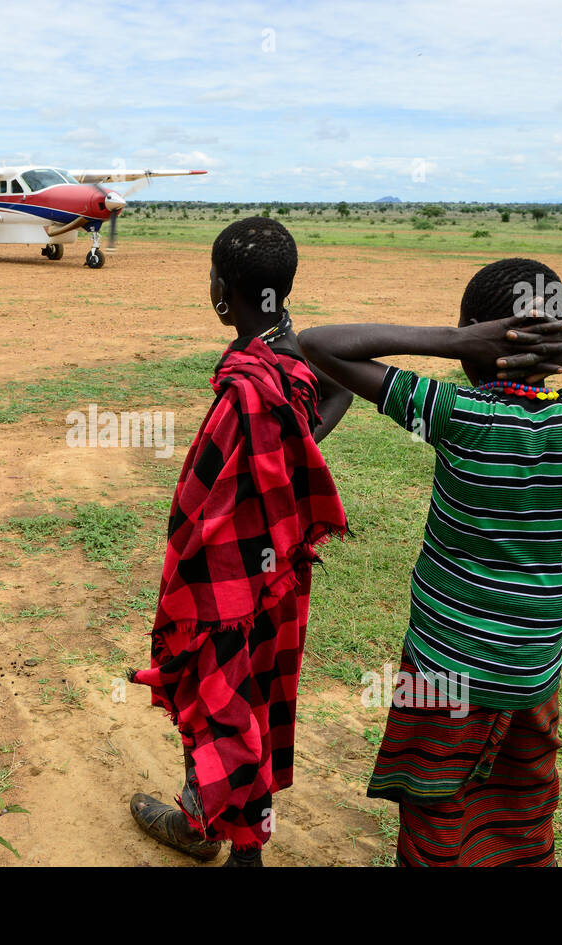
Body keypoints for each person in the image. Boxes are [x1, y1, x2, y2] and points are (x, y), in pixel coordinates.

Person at [298, 257, 562, 866]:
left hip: (448, 667)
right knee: (520, 807)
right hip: (535, 668)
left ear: (475, 337)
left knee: (438, 808)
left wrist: (451, 341)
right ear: (559, 340)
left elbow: (319, 344)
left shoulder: (456, 415)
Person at [128, 217, 352, 866]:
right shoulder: (293, 361)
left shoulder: (249, 387)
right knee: (248, 693)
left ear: (221, 292)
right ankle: (204, 821)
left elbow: (212, 495)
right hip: (276, 573)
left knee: (222, 697)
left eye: (211, 279)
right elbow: (342, 389)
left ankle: (232, 846)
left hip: (226, 582)